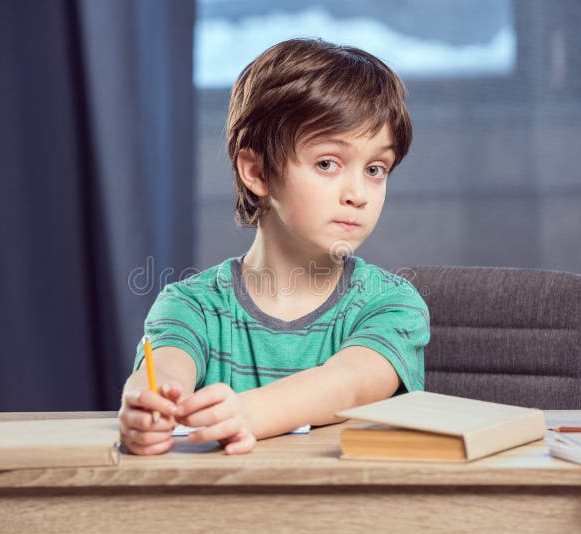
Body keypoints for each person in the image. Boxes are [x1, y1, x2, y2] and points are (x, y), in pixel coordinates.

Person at [118, 38, 430, 455]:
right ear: (258, 171)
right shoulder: (190, 305)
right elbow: (168, 370)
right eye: (327, 163)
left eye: (376, 169)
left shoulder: (391, 305)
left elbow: (353, 383)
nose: (358, 193)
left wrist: (249, 413)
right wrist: (150, 408)